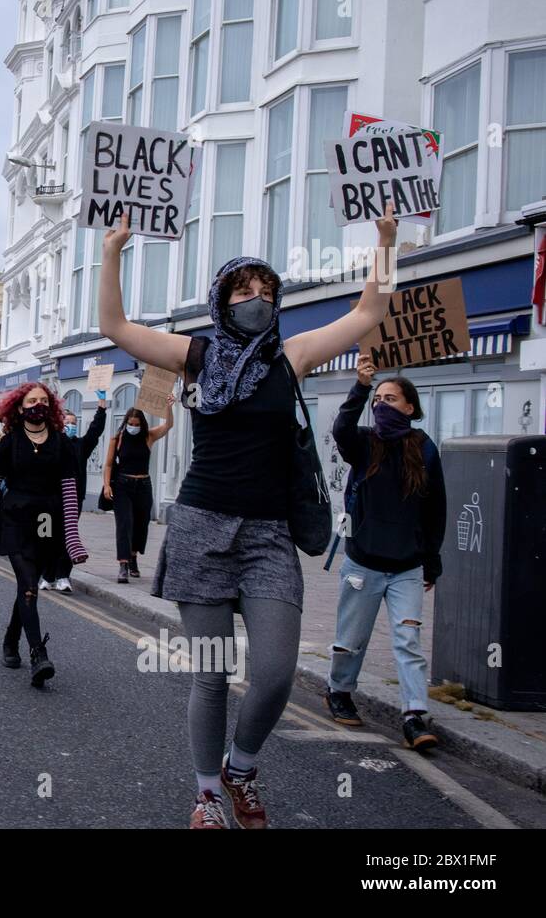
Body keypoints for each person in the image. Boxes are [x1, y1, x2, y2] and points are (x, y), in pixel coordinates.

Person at [98, 206, 396, 828]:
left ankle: (241, 768)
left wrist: (386, 240)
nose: (256, 299)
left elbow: (368, 313)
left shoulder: (291, 357)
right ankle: (208, 793)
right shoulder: (195, 355)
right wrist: (113, 251)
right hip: (203, 526)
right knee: (211, 677)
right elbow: (116, 325)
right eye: (243, 290)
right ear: (222, 300)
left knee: (275, 673)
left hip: (268, 536)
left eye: (266, 291)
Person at [325, 359, 446, 750]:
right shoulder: (364, 442)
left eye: (390, 399)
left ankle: (414, 716)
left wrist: (432, 560)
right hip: (363, 563)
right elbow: (340, 429)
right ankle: (340, 691)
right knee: (351, 639)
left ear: (410, 407)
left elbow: (435, 508)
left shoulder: (424, 447)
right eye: (378, 399)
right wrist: (361, 387)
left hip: (407, 567)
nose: (382, 405)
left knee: (408, 640)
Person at [0, 382, 88, 687]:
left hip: (47, 520)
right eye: (32, 401)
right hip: (15, 519)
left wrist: (72, 537)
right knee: (27, 584)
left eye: (44, 400)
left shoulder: (61, 443)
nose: (39, 405)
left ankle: (11, 640)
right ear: (19, 408)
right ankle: (38, 653)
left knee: (29, 585)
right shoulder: (10, 442)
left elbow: (70, 490)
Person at [101, 399, 174, 585]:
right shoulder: (117, 439)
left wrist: (168, 407)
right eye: (130, 424)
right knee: (124, 524)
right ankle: (123, 565)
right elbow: (108, 464)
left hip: (143, 486)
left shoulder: (148, 436)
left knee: (141, 525)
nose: (133, 427)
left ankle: (133, 558)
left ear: (142, 424)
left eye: (136, 424)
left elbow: (168, 425)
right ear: (125, 423)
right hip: (122, 485)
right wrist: (107, 485)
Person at [41, 393, 108, 592]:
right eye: (67, 422)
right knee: (48, 536)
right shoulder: (50, 443)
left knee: (67, 537)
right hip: (50, 498)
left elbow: (95, 432)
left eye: (73, 423)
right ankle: (47, 576)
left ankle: (63, 576)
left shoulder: (80, 446)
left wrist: (102, 406)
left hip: (73, 499)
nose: (71, 425)